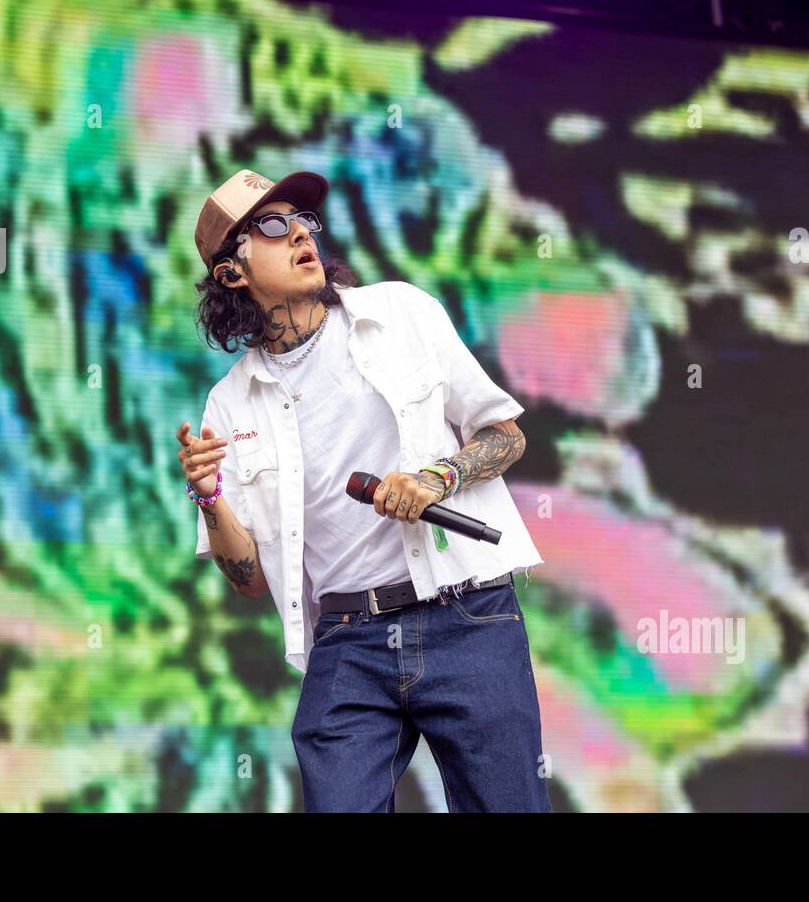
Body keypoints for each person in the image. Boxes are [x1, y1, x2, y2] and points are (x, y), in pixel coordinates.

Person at [178, 167, 550, 812]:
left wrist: (438, 477)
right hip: (348, 641)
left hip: (466, 614)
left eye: (304, 220)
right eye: (273, 225)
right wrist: (210, 498)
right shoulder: (230, 403)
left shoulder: (401, 313)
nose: (301, 233)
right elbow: (249, 580)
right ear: (232, 273)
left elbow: (505, 435)